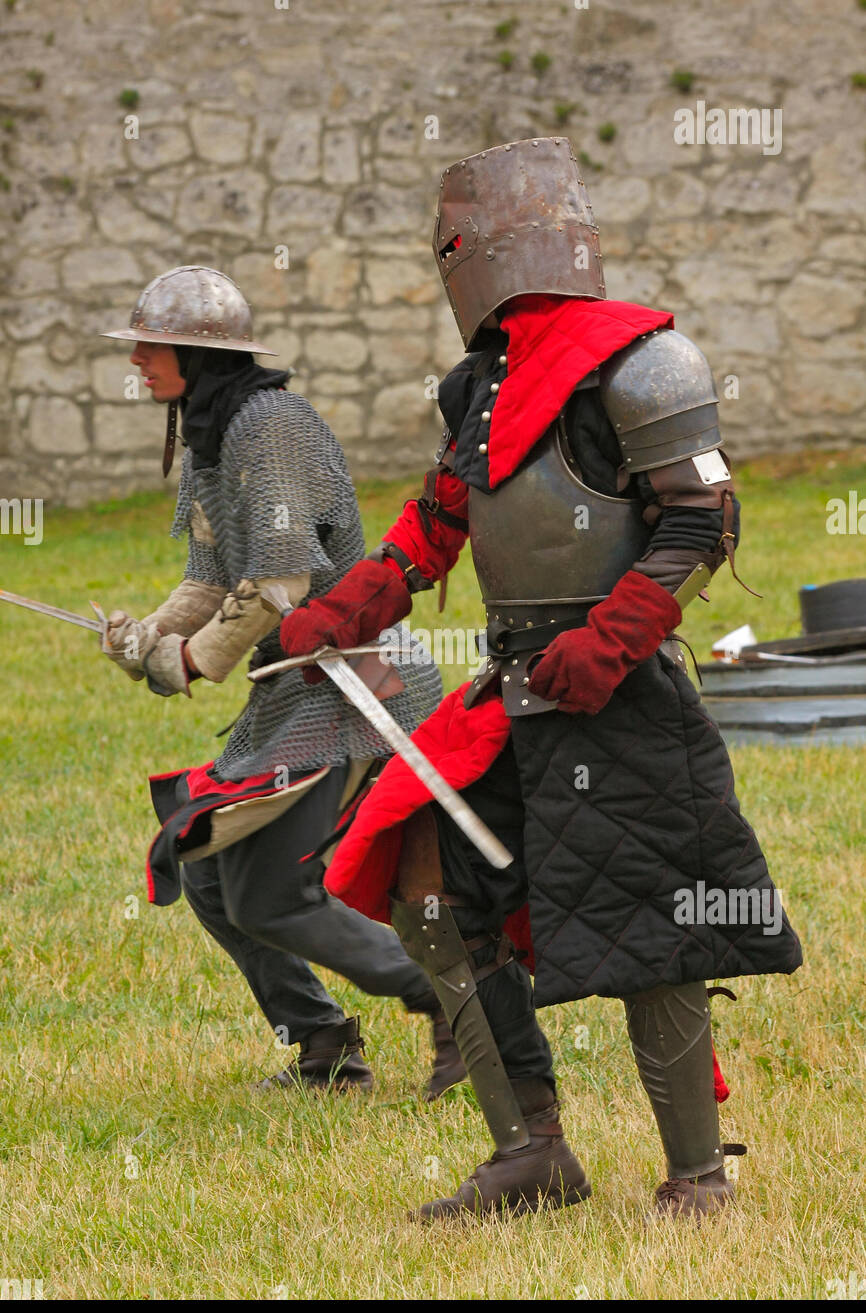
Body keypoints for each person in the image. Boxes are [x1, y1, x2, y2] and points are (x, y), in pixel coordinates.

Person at [278, 139, 803, 1220]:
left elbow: (702, 521)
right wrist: (357, 598)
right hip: (514, 688)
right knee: (427, 884)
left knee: (651, 923)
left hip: (615, 687)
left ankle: (698, 1179)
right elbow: (443, 514)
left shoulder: (645, 363)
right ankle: (530, 1150)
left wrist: (610, 636)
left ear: (473, 250)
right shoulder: (484, 383)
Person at [98, 265, 464, 1098]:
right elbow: (210, 578)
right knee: (202, 865)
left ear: (197, 352)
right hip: (290, 692)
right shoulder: (210, 427)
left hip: (349, 690)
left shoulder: (269, 425)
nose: (138, 365)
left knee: (269, 895)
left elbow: (281, 585)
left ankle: (459, 1002)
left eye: (149, 349)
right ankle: (324, 1046)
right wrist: (148, 637)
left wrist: (190, 662)